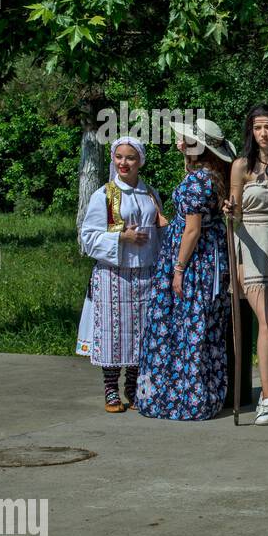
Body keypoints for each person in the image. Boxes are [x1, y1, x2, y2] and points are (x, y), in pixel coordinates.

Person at [136, 119, 235, 421]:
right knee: (203, 329)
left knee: (183, 328)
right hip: (210, 262)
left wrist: (178, 269)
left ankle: (180, 398)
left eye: (184, 140)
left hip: (193, 264)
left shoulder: (196, 181)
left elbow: (192, 230)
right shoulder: (216, 176)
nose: (179, 144)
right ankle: (203, 393)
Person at [75, 135, 166, 411]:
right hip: (114, 275)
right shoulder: (104, 194)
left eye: (130, 158)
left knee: (142, 334)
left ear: (140, 161)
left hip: (146, 274)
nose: (123, 163)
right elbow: (87, 237)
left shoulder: (150, 193)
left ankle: (134, 387)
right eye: (118, 157)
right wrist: (121, 238)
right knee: (114, 333)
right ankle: (111, 389)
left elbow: (160, 231)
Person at [227, 105, 268, 425]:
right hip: (251, 245)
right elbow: (236, 213)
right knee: (266, 323)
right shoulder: (241, 166)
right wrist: (229, 211)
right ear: (250, 132)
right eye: (257, 128)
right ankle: (266, 399)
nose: (263, 134)